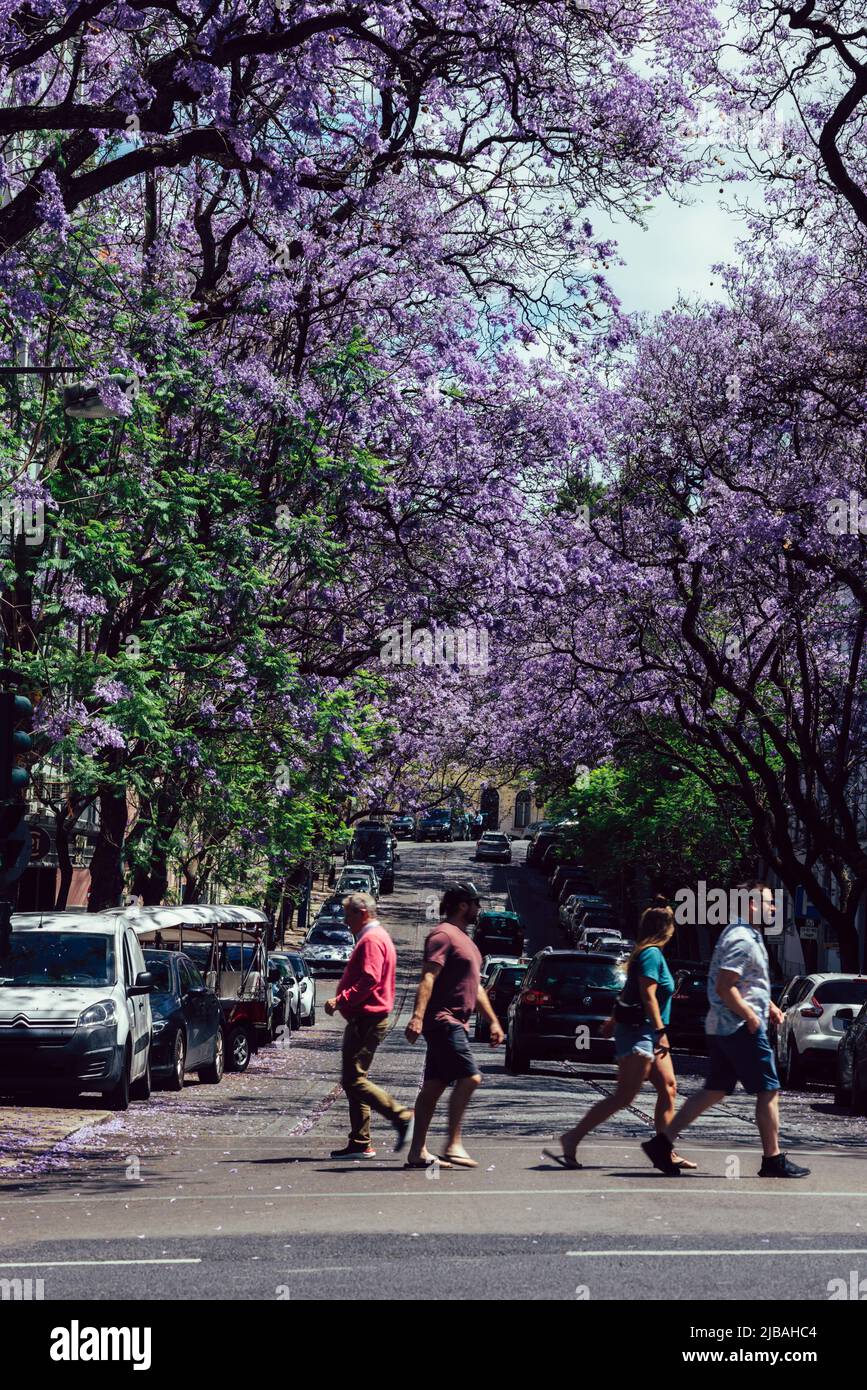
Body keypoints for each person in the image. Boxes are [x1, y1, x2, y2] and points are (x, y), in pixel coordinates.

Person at [642, 881, 810, 1179]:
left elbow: (748, 982)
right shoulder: (742, 938)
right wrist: (750, 1014)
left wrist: (769, 1006)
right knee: (768, 1089)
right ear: (749, 904)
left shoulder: (748, 935)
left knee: (714, 1090)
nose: (773, 907)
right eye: (768, 902)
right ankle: (772, 1159)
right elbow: (724, 985)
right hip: (739, 1027)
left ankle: (662, 1142)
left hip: (725, 1026)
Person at [543, 900, 695, 1170]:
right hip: (641, 1032)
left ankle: (665, 1150)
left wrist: (614, 1019)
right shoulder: (651, 955)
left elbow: (629, 993)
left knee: (669, 1088)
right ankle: (572, 1138)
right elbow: (647, 995)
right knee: (624, 1096)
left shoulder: (650, 954)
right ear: (666, 929)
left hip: (645, 1030)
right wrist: (660, 1031)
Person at [404, 881, 503, 1169]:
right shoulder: (442, 936)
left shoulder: (467, 942)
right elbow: (428, 977)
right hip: (444, 1020)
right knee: (471, 1078)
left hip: (455, 1021)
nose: (478, 909)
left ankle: (417, 1152)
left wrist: (494, 1021)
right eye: (475, 904)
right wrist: (417, 1016)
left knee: (433, 1087)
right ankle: (453, 1144)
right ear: (463, 906)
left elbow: (477, 989)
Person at [324, 892, 414, 1159]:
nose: (344, 920)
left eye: (348, 914)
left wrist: (340, 1000)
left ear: (362, 912)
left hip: (367, 1018)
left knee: (352, 1080)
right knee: (356, 1079)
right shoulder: (377, 936)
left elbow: (369, 979)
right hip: (368, 1018)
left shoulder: (372, 939)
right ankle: (360, 1141)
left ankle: (402, 1116)